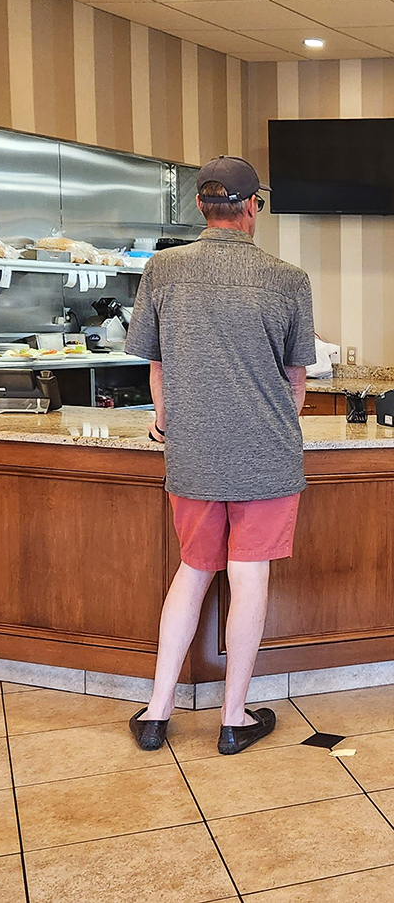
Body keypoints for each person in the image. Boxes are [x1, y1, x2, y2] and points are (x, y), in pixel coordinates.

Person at [124, 156, 316, 756]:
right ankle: (234, 719)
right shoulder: (287, 277)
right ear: (253, 205)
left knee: (193, 572)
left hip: (195, 451)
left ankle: (157, 713)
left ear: (201, 206)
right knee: (249, 576)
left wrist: (166, 422)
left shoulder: (163, 268)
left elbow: (156, 366)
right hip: (266, 453)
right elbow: (297, 381)